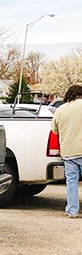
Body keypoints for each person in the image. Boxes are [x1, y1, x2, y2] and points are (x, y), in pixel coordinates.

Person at [51, 84, 82, 219]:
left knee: (72, 182)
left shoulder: (60, 110)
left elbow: (54, 130)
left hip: (69, 151)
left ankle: (72, 211)